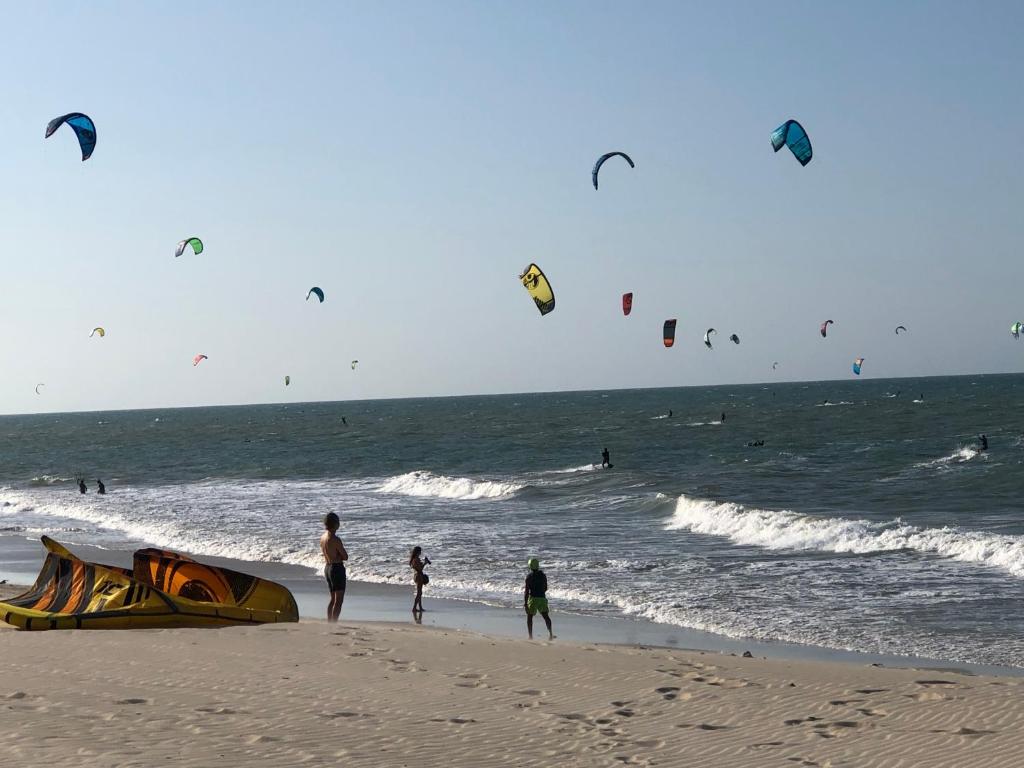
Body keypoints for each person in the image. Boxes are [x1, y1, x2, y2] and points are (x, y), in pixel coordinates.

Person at [320, 512, 348, 622]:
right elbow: (345, 556)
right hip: (336, 568)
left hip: (327, 568)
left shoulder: (323, 537)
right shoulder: (335, 539)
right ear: (335, 524)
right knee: (339, 600)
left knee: (333, 599)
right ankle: (334, 623)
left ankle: (329, 621)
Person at [524, 558, 554, 640]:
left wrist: (526, 604)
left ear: (530, 566)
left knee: (530, 617)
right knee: (546, 616)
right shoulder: (543, 575)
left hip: (533, 598)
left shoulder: (529, 577)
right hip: (542, 598)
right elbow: (546, 588)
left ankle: (530, 636)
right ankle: (551, 634)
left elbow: (526, 591)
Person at [409, 546, 430, 613]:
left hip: (417, 576)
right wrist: (425, 563)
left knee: (419, 593)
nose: (420, 553)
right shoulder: (416, 559)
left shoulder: (414, 559)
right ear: (417, 552)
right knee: (419, 593)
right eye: (420, 551)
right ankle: (414, 608)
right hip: (419, 576)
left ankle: (420, 607)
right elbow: (420, 568)